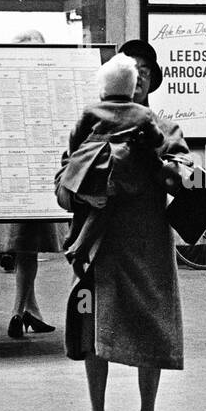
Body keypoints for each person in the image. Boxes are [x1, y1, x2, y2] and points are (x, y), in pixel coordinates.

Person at [60, 38, 189, 411]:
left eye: (143, 71)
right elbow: (62, 181)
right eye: (128, 69)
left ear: (150, 80)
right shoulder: (91, 123)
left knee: (150, 325)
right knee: (93, 327)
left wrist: (153, 158)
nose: (134, 79)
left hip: (147, 240)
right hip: (100, 242)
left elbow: (183, 181)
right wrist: (85, 191)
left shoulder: (164, 127)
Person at [0, 28, 64, 338]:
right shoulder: (36, 87)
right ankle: (19, 311)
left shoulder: (7, 87)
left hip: (32, 177)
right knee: (27, 248)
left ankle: (30, 310)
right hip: (19, 179)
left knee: (25, 249)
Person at [59, 55, 164, 268]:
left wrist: (80, 161)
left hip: (92, 168)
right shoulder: (143, 114)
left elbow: (74, 141)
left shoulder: (91, 110)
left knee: (100, 209)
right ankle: (78, 248)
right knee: (106, 208)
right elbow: (158, 140)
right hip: (122, 174)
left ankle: (76, 244)